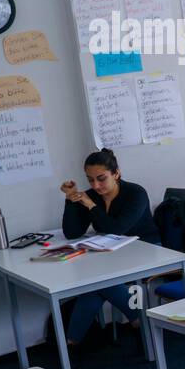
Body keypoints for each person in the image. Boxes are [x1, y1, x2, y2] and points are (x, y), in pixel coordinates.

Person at [59, 148, 159, 345]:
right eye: (90, 180)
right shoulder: (92, 196)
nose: (95, 185)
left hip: (148, 249)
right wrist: (70, 200)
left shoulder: (136, 193)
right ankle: (138, 321)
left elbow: (117, 228)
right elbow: (72, 232)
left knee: (99, 281)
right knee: (96, 284)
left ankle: (72, 342)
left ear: (116, 173)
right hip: (114, 252)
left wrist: (91, 206)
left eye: (101, 178)